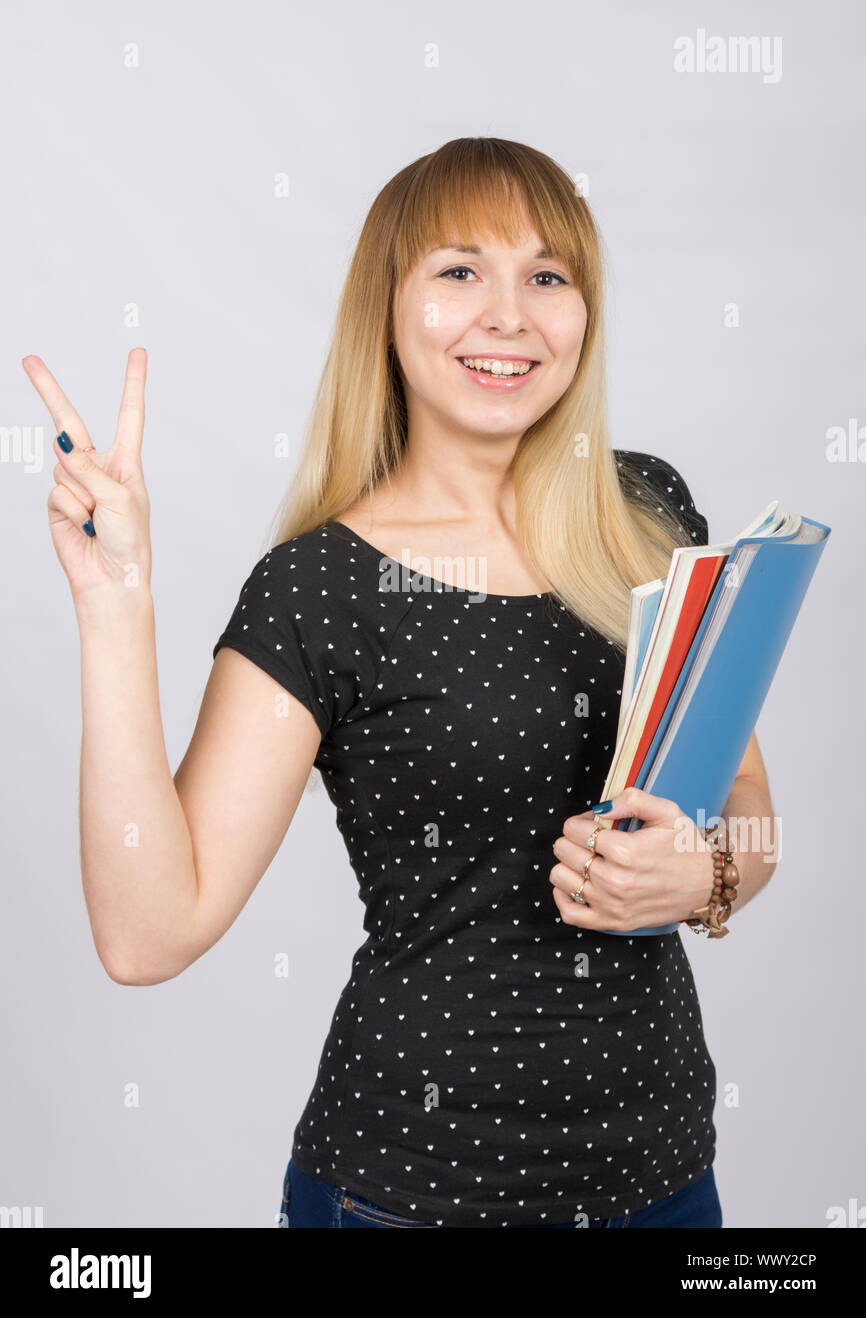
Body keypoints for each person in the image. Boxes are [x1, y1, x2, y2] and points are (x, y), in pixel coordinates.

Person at [25, 136, 777, 1229]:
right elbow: (149, 933)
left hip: (660, 1180)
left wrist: (702, 878)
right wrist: (114, 604)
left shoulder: (647, 513)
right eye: (459, 270)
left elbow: (749, 815)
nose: (509, 314)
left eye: (547, 275)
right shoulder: (322, 589)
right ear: (387, 306)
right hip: (406, 1194)